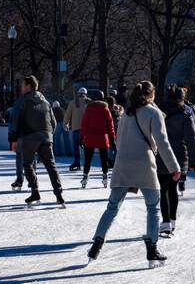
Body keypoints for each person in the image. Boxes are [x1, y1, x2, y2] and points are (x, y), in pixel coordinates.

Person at [85, 81, 180, 268]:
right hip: (144, 165)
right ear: (151, 95)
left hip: (122, 165)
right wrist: (174, 167)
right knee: (153, 208)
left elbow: (118, 141)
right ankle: (152, 249)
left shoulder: (127, 114)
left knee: (112, 207)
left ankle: (96, 243)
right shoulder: (154, 113)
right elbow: (163, 142)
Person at [9, 76, 66, 207]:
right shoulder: (45, 101)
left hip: (29, 136)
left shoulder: (22, 101)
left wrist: (13, 139)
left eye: (23, 85)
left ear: (29, 86)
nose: (21, 88)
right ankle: (59, 195)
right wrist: (49, 134)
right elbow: (53, 122)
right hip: (46, 136)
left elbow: (15, 121)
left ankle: (35, 192)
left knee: (27, 164)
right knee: (51, 166)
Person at [157, 87, 195, 238]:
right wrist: (194, 161)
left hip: (161, 153)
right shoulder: (185, 114)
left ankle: (166, 221)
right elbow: (191, 139)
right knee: (173, 188)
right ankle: (172, 221)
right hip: (179, 155)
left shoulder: (159, 111)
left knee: (163, 189)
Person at [79, 90, 116, 189]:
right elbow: (110, 125)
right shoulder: (106, 109)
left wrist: (81, 137)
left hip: (90, 137)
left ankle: (85, 177)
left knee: (88, 159)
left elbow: (84, 124)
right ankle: (105, 177)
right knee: (104, 159)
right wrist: (112, 137)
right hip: (103, 137)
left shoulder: (89, 109)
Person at [63, 88, 89, 171]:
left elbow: (67, 114)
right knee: (86, 146)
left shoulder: (73, 102)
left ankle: (77, 161)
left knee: (76, 146)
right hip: (87, 129)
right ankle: (87, 163)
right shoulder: (89, 102)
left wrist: (65, 124)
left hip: (76, 128)